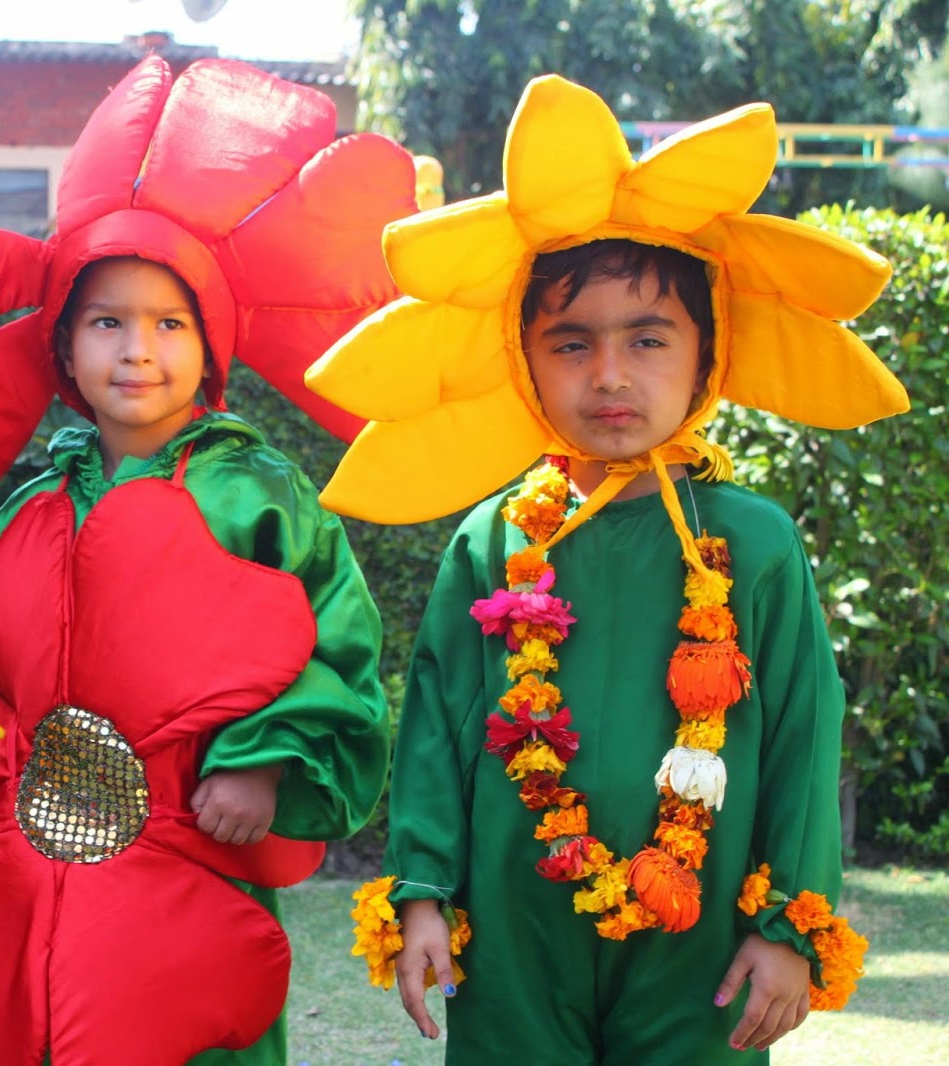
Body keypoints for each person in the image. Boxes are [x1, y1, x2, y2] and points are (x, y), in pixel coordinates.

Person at [310, 76, 907, 1064]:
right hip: (511, 932)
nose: (611, 375)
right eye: (572, 343)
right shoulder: (495, 538)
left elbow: (804, 735)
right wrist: (421, 891)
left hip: (705, 940)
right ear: (524, 358)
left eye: (647, 338)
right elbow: (436, 729)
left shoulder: (753, 544)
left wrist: (789, 927)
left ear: (705, 353)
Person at [0, 56, 416, 1065]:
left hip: (198, 852)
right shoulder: (28, 508)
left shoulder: (257, 492)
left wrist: (263, 759)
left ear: (208, 348)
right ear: (64, 348)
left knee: (193, 1033)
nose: (136, 349)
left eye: (167, 323)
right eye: (106, 321)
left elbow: (335, 642)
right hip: (43, 877)